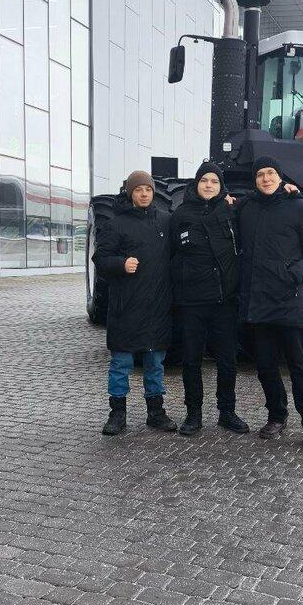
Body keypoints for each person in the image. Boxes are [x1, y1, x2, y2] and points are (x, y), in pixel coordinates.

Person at [237, 156, 303, 454]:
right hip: (258, 301)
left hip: (289, 299)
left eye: (271, 173)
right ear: (255, 180)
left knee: (300, 367)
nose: (265, 178)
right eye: (260, 174)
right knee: (265, 366)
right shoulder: (246, 209)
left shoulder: (302, 208)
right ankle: (277, 416)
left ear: (280, 176)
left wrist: (296, 275)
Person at [93, 170, 177, 435]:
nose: (144, 194)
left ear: (154, 193)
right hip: (126, 308)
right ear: (130, 193)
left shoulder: (166, 221)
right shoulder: (116, 224)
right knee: (121, 365)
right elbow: (101, 259)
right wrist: (120, 263)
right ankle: (117, 414)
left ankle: (156, 413)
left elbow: (193, 225)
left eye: (148, 190)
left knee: (155, 366)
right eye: (139, 189)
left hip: (157, 309)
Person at [170, 162, 249, 437]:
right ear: (196, 183)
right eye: (204, 180)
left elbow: (262, 204)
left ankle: (227, 412)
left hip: (224, 301)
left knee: (227, 359)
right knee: (191, 360)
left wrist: (288, 191)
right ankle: (193, 413)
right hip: (192, 302)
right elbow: (171, 256)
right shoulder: (181, 214)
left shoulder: (232, 211)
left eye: (214, 181)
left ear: (221, 186)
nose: (209, 186)